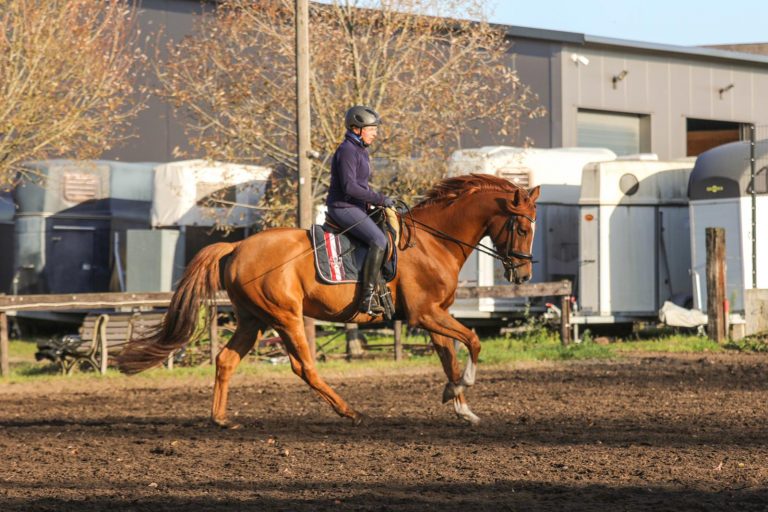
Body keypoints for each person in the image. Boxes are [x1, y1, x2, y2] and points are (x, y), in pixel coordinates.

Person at [326, 105, 395, 315]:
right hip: (343, 207)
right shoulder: (347, 150)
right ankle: (367, 297)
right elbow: (350, 187)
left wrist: (376, 201)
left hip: (357, 207)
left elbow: (362, 186)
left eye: (375, 129)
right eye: (371, 129)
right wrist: (380, 199)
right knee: (379, 240)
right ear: (357, 129)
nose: (375, 133)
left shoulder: (361, 150)